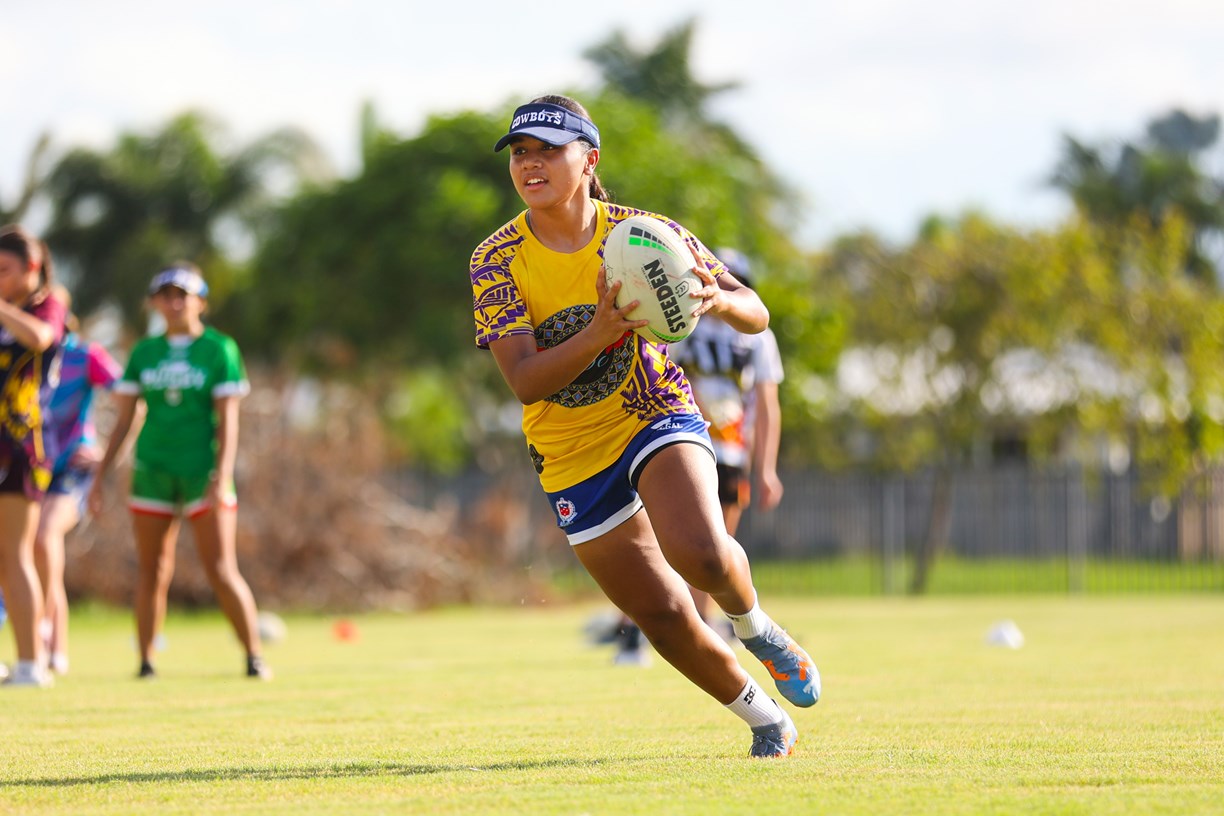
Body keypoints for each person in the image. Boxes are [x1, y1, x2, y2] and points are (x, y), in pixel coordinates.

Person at [470, 95, 819, 758]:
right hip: (570, 451)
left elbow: (757, 313)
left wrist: (716, 297)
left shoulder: (641, 231)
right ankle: (765, 719)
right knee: (661, 614)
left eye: (549, 149)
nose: (531, 163)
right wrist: (601, 330)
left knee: (704, 554)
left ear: (590, 158)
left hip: (653, 411)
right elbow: (526, 379)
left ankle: (756, 626)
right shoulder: (496, 258)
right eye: (520, 152)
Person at [87, 264, 271, 680]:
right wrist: (101, 473)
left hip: (201, 471)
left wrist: (220, 475)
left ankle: (253, 656)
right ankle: (147, 661)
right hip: (153, 469)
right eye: (165, 295)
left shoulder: (219, 349)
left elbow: (228, 420)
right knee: (152, 569)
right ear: (153, 302)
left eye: (182, 295)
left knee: (221, 568)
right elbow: (126, 419)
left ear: (200, 302)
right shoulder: (144, 352)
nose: (174, 303)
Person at [668, 249, 785, 629]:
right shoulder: (684, 319)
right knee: (671, 537)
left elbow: (767, 404)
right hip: (685, 438)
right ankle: (652, 622)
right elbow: (667, 375)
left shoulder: (759, 338)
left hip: (733, 448)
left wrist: (767, 468)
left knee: (717, 544)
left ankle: (702, 620)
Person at [34, 292, 123, 676]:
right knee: (31, 551)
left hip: (73, 466)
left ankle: (51, 643)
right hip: (29, 466)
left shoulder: (86, 356)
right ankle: (47, 644)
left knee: (44, 537)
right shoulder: (21, 358)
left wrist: (108, 456)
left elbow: (132, 398)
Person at [0, 224, 67, 688]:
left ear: (32, 269)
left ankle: (31, 664)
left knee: (15, 553)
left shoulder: (48, 304)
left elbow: (41, 338)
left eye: (3, 270)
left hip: (22, 447)